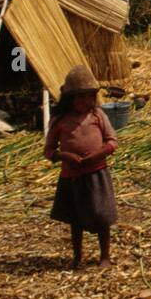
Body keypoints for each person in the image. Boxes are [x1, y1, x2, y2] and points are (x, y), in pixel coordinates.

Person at [44, 64, 119, 269]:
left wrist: (98, 154)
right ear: (69, 98)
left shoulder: (98, 115)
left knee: (102, 216)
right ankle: (78, 257)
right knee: (75, 218)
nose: (86, 102)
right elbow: (48, 150)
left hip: (97, 173)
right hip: (72, 176)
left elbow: (112, 141)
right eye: (80, 97)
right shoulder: (60, 121)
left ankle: (105, 256)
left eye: (89, 97)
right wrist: (64, 156)